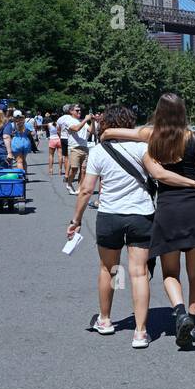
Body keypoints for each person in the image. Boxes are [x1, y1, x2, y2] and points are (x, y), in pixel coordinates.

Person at [101, 93, 195, 347]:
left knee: (170, 271)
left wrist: (105, 134)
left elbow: (117, 133)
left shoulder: (151, 134)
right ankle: (193, 320)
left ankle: (179, 312)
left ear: (159, 111)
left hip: (169, 209)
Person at [68, 105, 154, 349]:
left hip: (110, 215)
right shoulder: (142, 148)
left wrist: (76, 220)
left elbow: (86, 189)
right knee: (138, 272)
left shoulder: (98, 151)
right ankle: (140, 331)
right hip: (141, 214)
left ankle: (105, 320)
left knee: (110, 268)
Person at [59, 105, 93, 196]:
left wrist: (92, 121)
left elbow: (92, 131)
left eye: (80, 110)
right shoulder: (68, 121)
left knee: (84, 170)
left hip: (84, 147)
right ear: (71, 111)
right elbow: (76, 128)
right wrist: (86, 119)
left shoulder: (82, 121)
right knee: (74, 169)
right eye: (77, 110)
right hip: (74, 148)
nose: (79, 112)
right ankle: (69, 183)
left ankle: (80, 188)